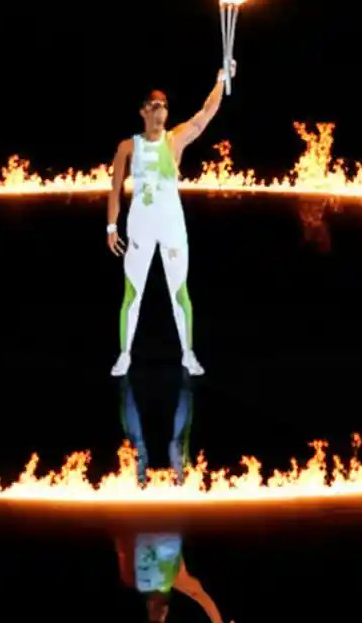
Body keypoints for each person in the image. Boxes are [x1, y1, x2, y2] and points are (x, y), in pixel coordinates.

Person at [107, 62, 236, 377]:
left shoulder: (175, 139)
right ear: (143, 111)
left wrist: (221, 80)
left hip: (172, 226)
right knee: (131, 294)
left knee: (180, 292)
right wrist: (111, 226)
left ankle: (187, 355)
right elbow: (114, 190)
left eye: (164, 105)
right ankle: (125, 355)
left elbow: (206, 113)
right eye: (154, 105)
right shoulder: (128, 147)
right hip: (139, 226)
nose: (160, 109)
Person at [114, 371, 225, 622]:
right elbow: (201, 596)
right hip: (173, 496)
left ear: (149, 610)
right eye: (164, 614)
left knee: (138, 444)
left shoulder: (133, 578)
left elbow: (120, 541)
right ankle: (185, 382)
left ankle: (127, 385)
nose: (162, 611)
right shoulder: (177, 580)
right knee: (176, 444)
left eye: (157, 614)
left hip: (142, 498)